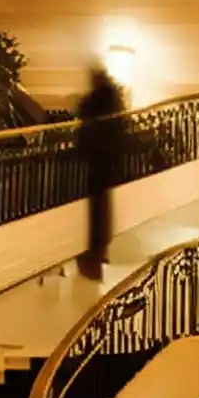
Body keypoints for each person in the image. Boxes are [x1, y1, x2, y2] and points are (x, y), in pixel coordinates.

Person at [74, 67, 129, 282]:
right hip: (106, 157)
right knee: (102, 206)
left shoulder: (100, 98)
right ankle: (99, 251)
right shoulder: (111, 98)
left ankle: (96, 254)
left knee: (99, 207)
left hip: (98, 156)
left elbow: (84, 112)